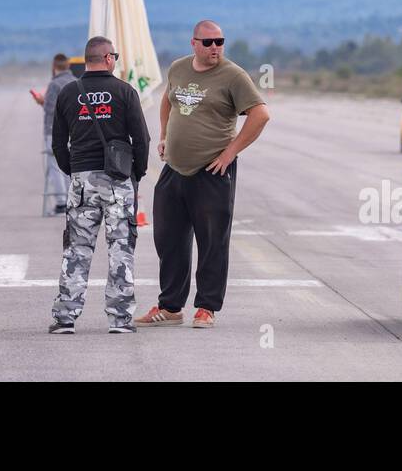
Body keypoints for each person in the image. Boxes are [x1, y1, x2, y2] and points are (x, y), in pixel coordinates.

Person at [136, 20, 269, 329]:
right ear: (193, 43)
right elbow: (168, 99)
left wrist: (230, 152)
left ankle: (206, 307)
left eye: (220, 42)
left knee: (212, 241)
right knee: (168, 239)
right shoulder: (179, 68)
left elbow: (261, 114)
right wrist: (165, 135)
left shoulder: (233, 76)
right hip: (174, 168)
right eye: (208, 42)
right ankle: (170, 307)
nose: (215, 48)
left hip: (212, 170)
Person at [49, 36, 149, 334]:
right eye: (114, 56)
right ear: (107, 58)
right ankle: (120, 319)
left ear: (87, 59)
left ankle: (65, 317)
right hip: (118, 182)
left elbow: (57, 143)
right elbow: (141, 139)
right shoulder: (124, 92)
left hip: (81, 181)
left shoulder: (69, 92)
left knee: (77, 249)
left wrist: (74, 170)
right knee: (121, 249)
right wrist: (137, 174)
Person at [36, 53, 74, 214]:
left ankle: (60, 202)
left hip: (54, 131)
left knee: (54, 167)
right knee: (68, 166)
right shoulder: (76, 82)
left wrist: (41, 101)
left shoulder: (54, 85)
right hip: (73, 131)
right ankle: (70, 200)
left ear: (54, 66)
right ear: (68, 66)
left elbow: (50, 109)